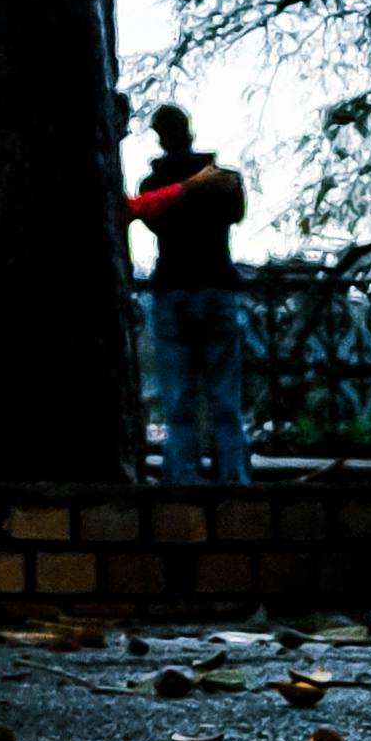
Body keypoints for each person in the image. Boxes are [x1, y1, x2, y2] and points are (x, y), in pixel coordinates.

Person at [130, 102, 251, 485]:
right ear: (190, 132)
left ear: (160, 138)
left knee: (178, 397)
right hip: (217, 286)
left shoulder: (153, 186)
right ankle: (234, 477)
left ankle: (182, 479)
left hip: (172, 288)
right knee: (224, 397)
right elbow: (236, 213)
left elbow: (151, 219)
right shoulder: (223, 182)